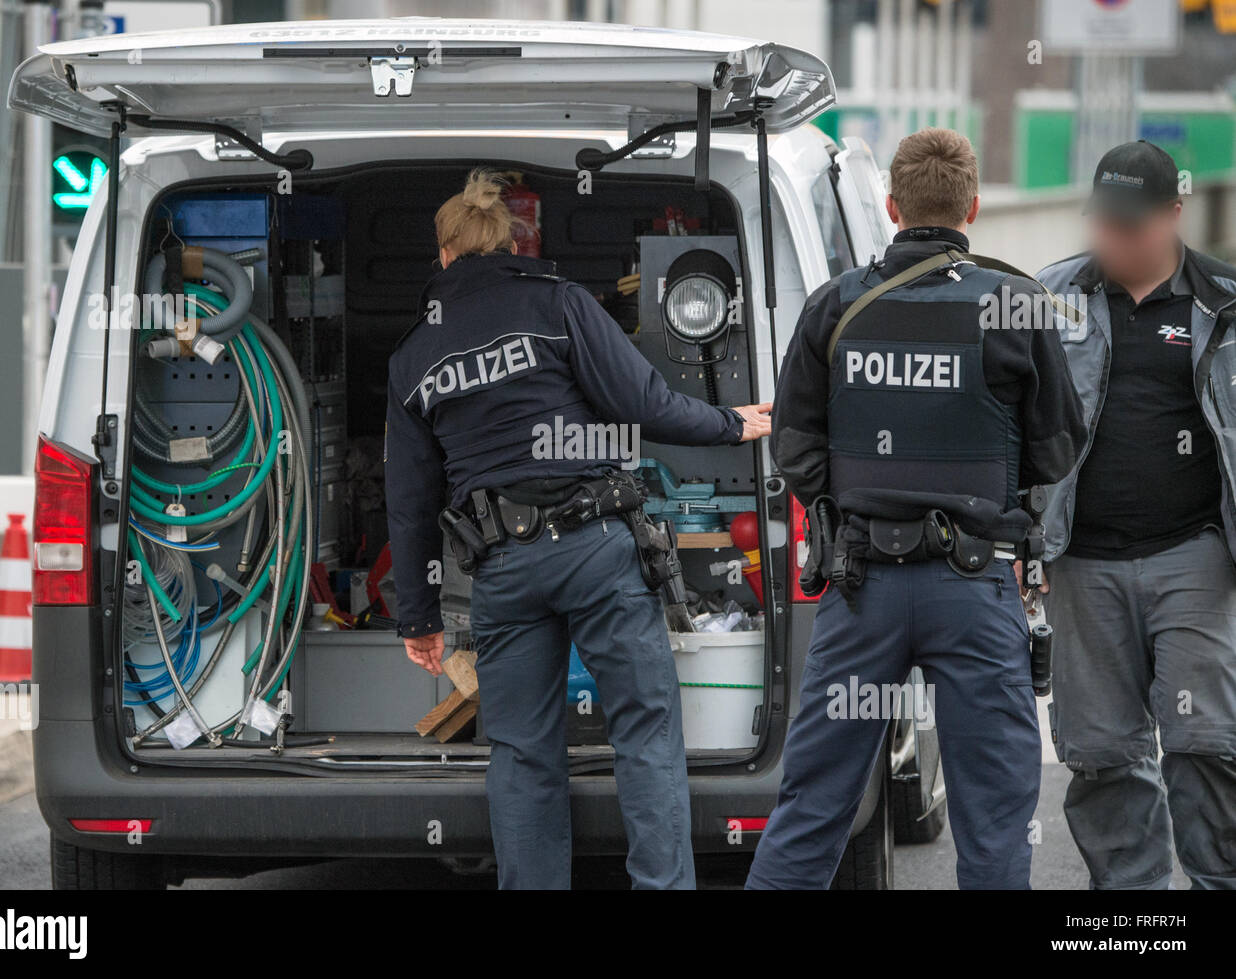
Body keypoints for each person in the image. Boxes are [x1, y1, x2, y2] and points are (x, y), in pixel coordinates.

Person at [384, 169, 772, 889]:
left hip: (502, 566)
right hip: (594, 549)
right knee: (645, 732)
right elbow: (644, 403)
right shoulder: (557, 304)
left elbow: (409, 501)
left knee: (524, 755)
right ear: (511, 243)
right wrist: (730, 422)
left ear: (443, 255)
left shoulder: (413, 357)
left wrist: (418, 616)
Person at [745, 128, 1086, 890]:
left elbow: (794, 439)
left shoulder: (839, 303)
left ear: (893, 206)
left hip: (862, 587)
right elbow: (1059, 445)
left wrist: (841, 503)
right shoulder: (1013, 304)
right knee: (995, 825)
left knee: (810, 813)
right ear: (972, 206)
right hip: (975, 585)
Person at [1035, 140, 1236, 890]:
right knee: (1101, 751)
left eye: (1129, 224)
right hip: (1082, 561)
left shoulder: (1224, 301)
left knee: (1207, 741)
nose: (1112, 237)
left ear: (1173, 215)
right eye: (1103, 222)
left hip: (1196, 553)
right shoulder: (1051, 299)